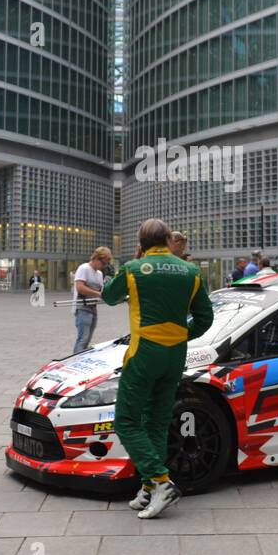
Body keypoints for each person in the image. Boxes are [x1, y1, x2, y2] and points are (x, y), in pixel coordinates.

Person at [101, 218, 213, 518]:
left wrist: (132, 265)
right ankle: (149, 487)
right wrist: (179, 334)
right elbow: (205, 319)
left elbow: (109, 296)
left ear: (141, 243)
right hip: (176, 355)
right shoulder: (190, 271)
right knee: (157, 421)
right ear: (166, 239)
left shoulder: (134, 269)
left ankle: (162, 482)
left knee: (126, 420)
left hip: (144, 353)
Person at [71, 246, 112, 353]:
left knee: (87, 339)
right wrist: (98, 294)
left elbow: (101, 290)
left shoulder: (99, 274)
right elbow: (79, 287)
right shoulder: (84, 268)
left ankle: (80, 360)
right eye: (103, 263)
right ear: (96, 258)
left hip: (93, 308)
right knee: (82, 340)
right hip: (82, 308)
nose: (104, 266)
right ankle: (74, 362)